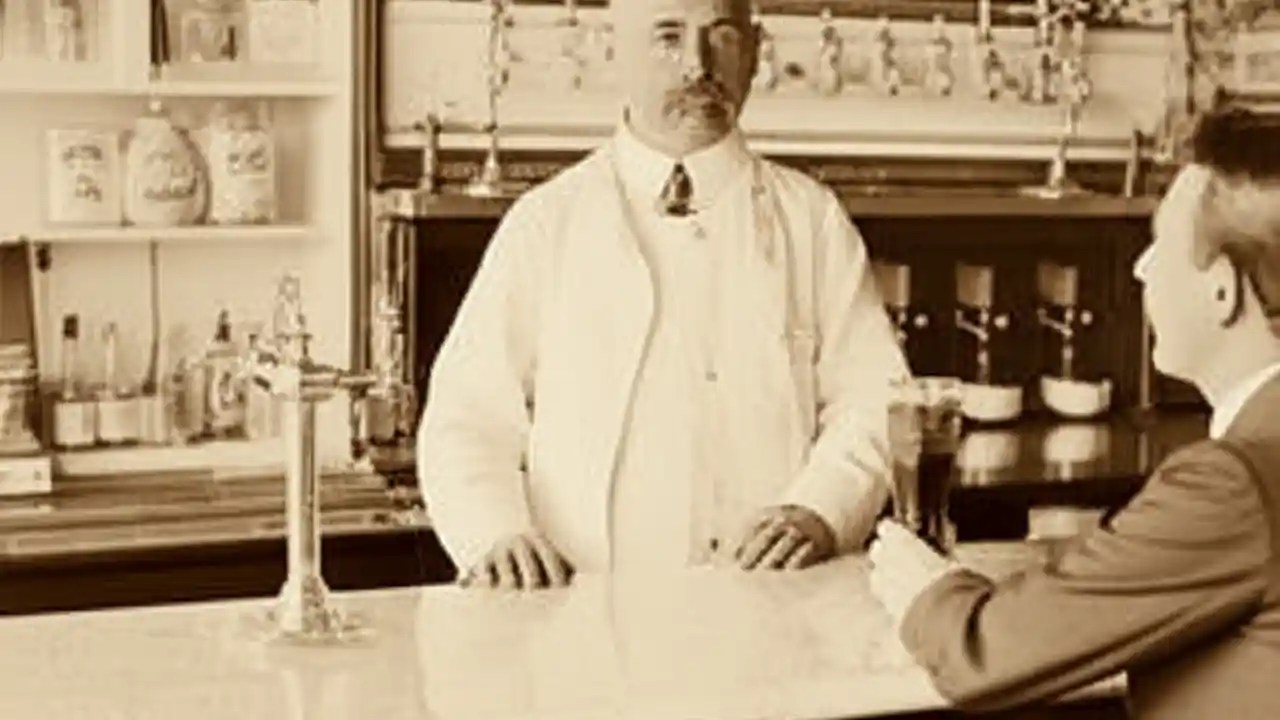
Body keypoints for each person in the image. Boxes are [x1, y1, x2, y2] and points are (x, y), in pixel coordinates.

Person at [417, 0, 906, 590]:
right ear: (617, 51)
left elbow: (876, 399)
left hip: (771, 613)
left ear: (753, 51)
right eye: (667, 37)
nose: (696, 65)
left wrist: (823, 510)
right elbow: (466, 417)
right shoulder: (547, 221)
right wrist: (495, 533)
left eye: (720, 37)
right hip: (585, 615)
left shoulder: (811, 219)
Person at [868, 107, 1280, 719]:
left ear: (1222, 291)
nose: (1140, 269)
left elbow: (985, 653)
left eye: (1158, 245)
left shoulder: (1231, 482)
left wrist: (921, 584)